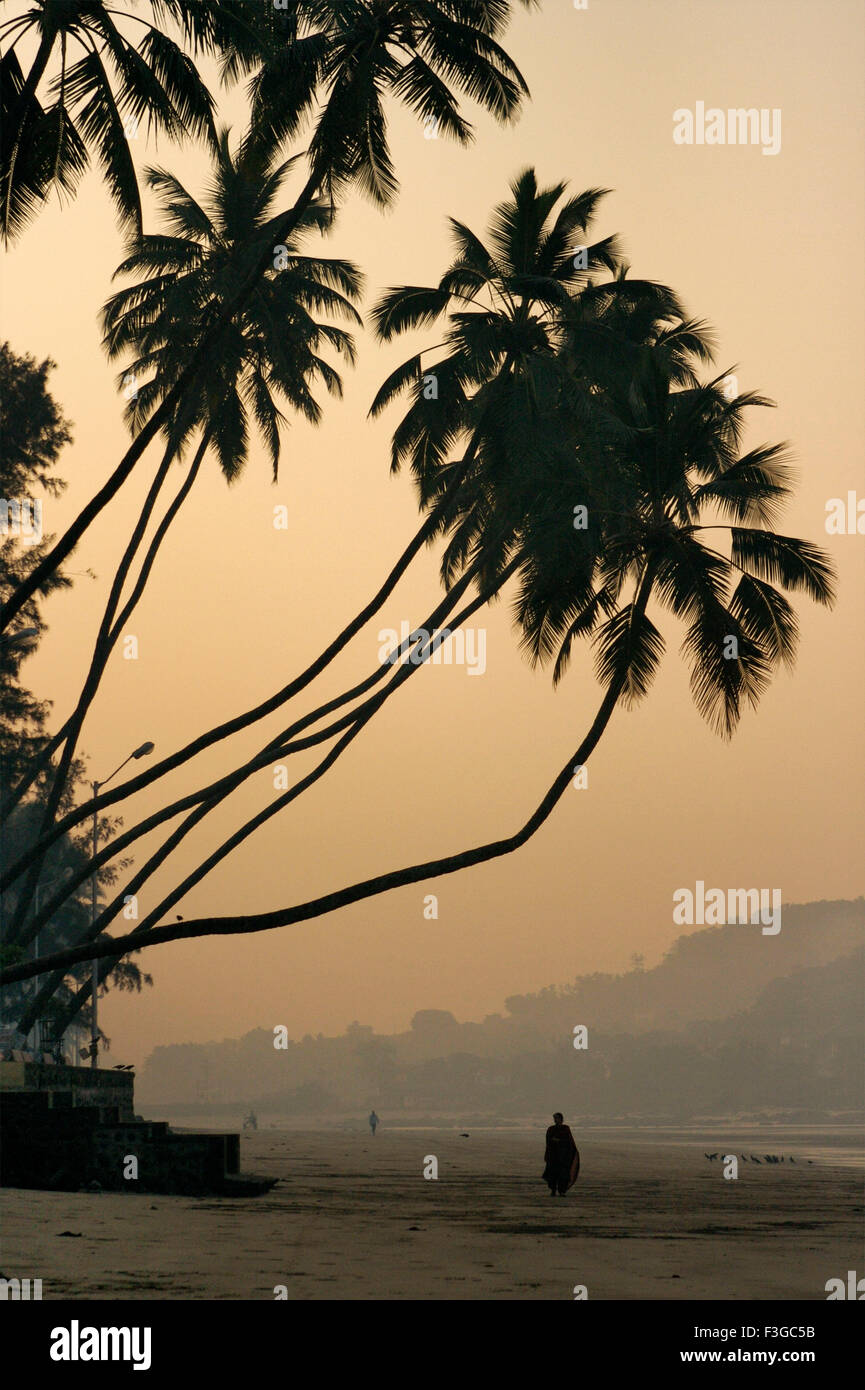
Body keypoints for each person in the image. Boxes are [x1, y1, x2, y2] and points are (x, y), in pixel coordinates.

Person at [543, 1112, 579, 1196]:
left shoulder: (565, 1129)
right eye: (555, 1118)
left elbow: (569, 1141)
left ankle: (562, 1191)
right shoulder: (551, 1129)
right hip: (553, 1156)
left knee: (563, 1175)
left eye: (557, 1118)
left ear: (561, 1119)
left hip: (563, 1157)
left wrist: (560, 1141)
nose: (556, 1120)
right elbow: (548, 1141)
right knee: (552, 1174)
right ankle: (553, 1190)